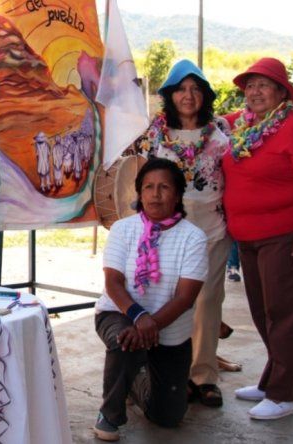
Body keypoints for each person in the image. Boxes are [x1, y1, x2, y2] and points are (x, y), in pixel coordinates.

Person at [222, 57, 293, 420]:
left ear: (282, 91)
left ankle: (283, 395)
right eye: (249, 85)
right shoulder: (239, 126)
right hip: (245, 237)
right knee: (261, 311)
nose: (254, 91)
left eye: (264, 84)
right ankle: (271, 380)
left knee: (283, 313)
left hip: (283, 235)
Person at [135, 59, 231, 407]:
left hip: (213, 230)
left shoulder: (221, 129)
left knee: (207, 302)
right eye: (181, 89)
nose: (188, 96)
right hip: (167, 233)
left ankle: (203, 375)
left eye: (195, 89)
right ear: (169, 95)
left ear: (205, 95)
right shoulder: (155, 133)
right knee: (165, 301)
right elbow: (140, 179)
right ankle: (163, 373)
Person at [93, 158, 208, 441]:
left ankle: (134, 381)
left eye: (164, 187)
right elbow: (113, 282)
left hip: (171, 328)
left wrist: (150, 323)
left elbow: (185, 298)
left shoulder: (193, 238)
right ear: (140, 193)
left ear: (178, 195)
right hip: (120, 313)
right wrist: (139, 317)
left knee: (168, 417)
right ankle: (110, 413)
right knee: (126, 340)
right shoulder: (123, 229)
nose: (155, 194)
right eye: (148, 187)